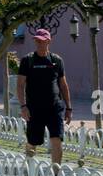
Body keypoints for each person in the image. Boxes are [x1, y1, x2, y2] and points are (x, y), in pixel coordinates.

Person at [17, 29, 71, 165]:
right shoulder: (28, 60)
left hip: (54, 108)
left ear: (48, 41)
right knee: (32, 142)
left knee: (56, 141)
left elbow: (63, 85)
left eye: (42, 41)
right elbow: (20, 85)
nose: (39, 43)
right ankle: (30, 171)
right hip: (34, 109)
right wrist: (23, 106)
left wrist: (69, 108)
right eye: (37, 41)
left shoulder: (56, 60)